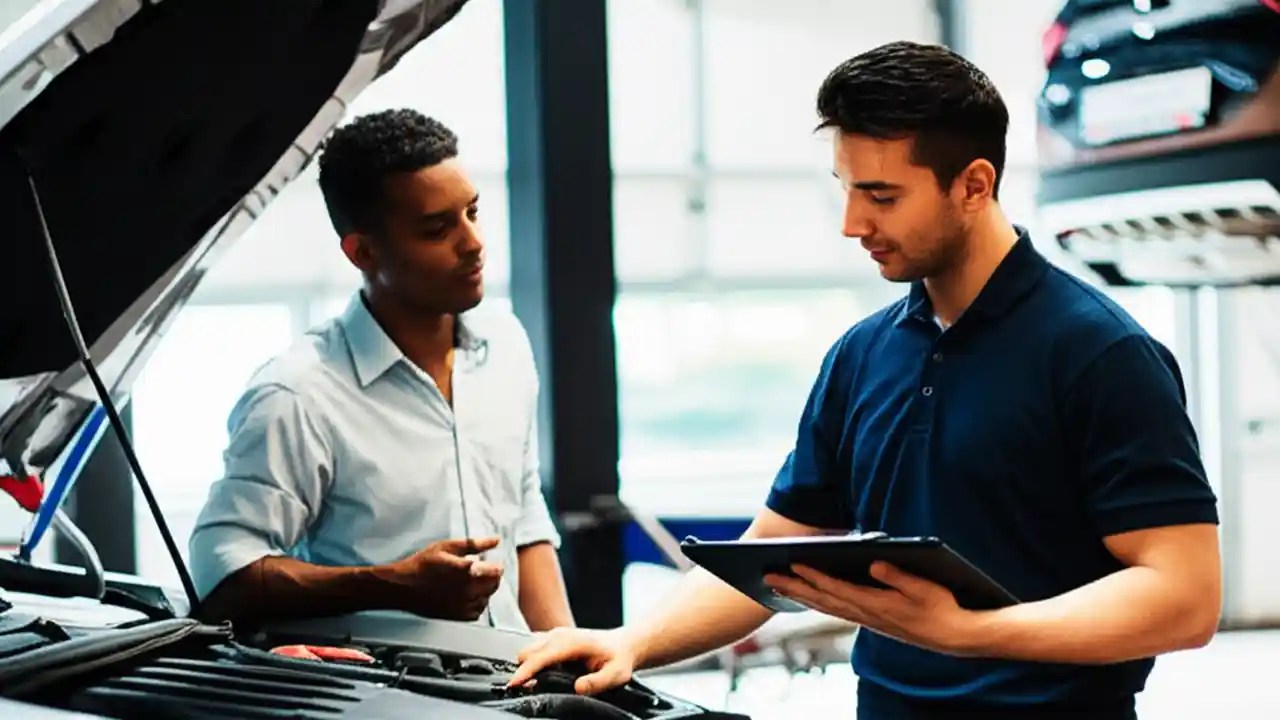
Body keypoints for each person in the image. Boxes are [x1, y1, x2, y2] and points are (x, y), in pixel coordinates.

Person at [508, 41, 1221, 719]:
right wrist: (632, 642)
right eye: (846, 190)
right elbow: (772, 558)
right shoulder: (862, 353)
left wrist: (970, 633)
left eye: (881, 196)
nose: (853, 224)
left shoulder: (1102, 353)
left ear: (975, 185)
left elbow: (1184, 597)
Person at [188, 109, 573, 633]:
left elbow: (523, 520)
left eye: (473, 213)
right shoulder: (298, 394)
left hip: (514, 692)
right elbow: (220, 577)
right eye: (438, 229)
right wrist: (393, 584)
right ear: (362, 251)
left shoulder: (505, 345)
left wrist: (569, 666)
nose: (474, 243)